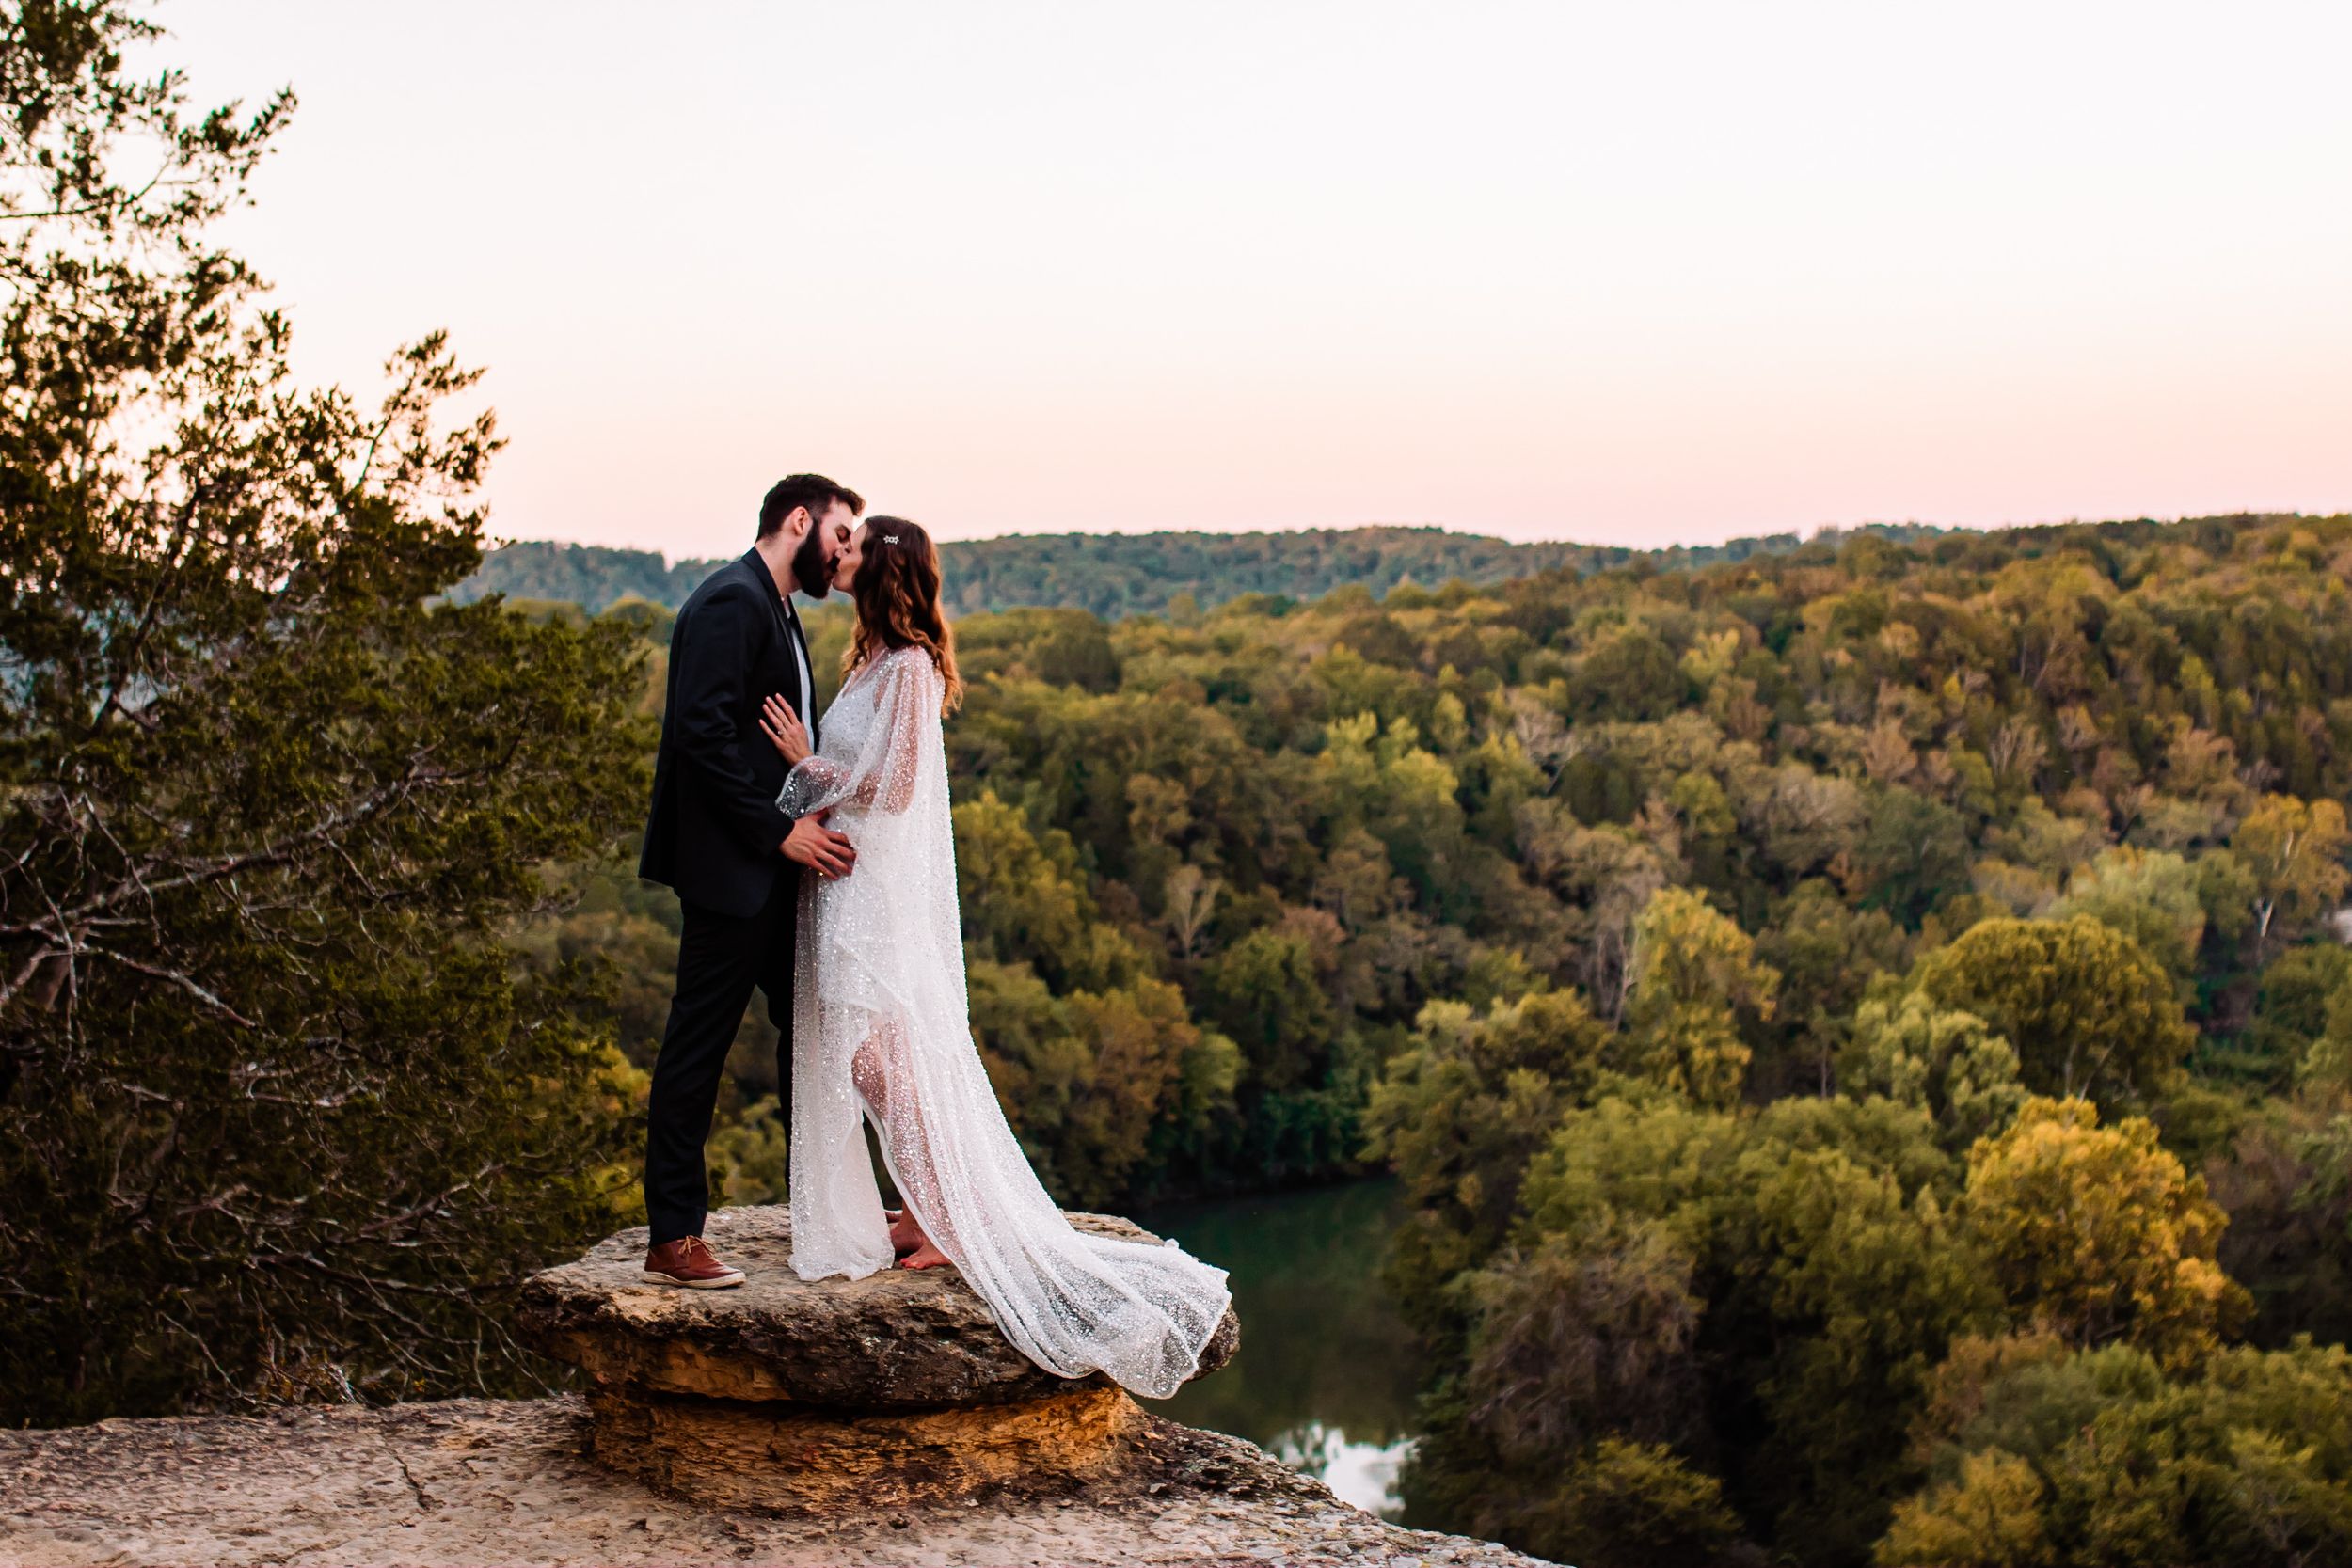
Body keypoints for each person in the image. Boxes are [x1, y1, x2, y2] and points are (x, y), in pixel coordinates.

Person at [756, 516, 1231, 1400]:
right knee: (870, 1055)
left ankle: (941, 1219)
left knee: (882, 1055)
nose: (841, 552)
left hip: (871, 887)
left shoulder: (907, 667)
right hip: (843, 879)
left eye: (857, 545)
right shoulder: (870, 658)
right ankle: (926, 1200)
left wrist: (804, 764)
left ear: (886, 566)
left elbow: (891, 787)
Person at [635, 475, 863, 1289]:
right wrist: (782, 833)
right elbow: (701, 739)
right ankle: (674, 1236)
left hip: (770, 869)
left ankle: (830, 1208)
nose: (843, 555)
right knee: (699, 1043)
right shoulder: (732, 601)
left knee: (812, 1028)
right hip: (734, 868)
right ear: (798, 520)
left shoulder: (777, 605)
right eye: (839, 536)